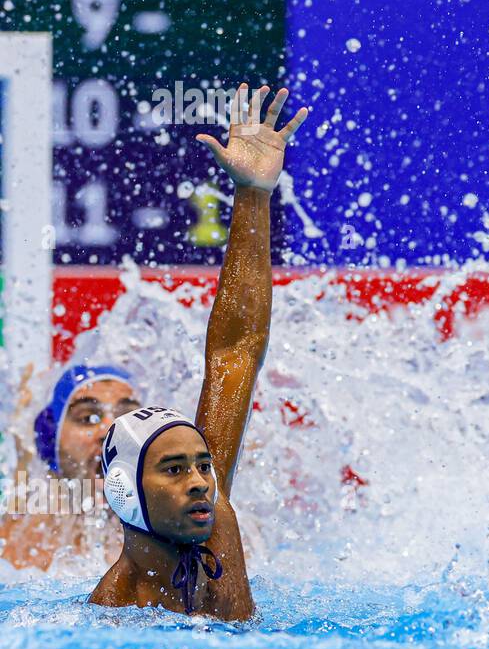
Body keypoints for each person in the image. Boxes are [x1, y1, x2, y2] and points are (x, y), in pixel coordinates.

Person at [89, 83, 307, 619]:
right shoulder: (113, 610)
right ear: (123, 490)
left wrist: (253, 195)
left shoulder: (211, 509)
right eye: (174, 470)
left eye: (203, 466)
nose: (200, 483)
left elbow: (236, 349)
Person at [0, 364, 140, 569]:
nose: (110, 432)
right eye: (88, 418)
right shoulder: (12, 547)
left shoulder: (175, 537)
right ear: (50, 438)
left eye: (128, 418)